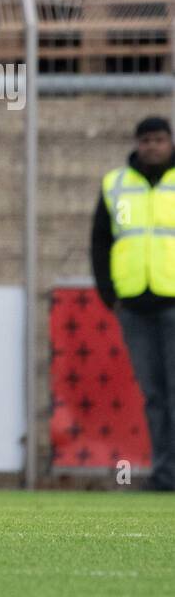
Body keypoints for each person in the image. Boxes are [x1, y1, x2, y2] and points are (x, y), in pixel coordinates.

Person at [91, 115, 175, 491]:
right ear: (137, 144)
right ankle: (164, 474)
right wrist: (110, 295)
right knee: (154, 395)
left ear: (170, 142)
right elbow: (100, 242)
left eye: (158, 139)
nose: (152, 147)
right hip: (134, 308)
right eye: (146, 140)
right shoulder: (116, 185)